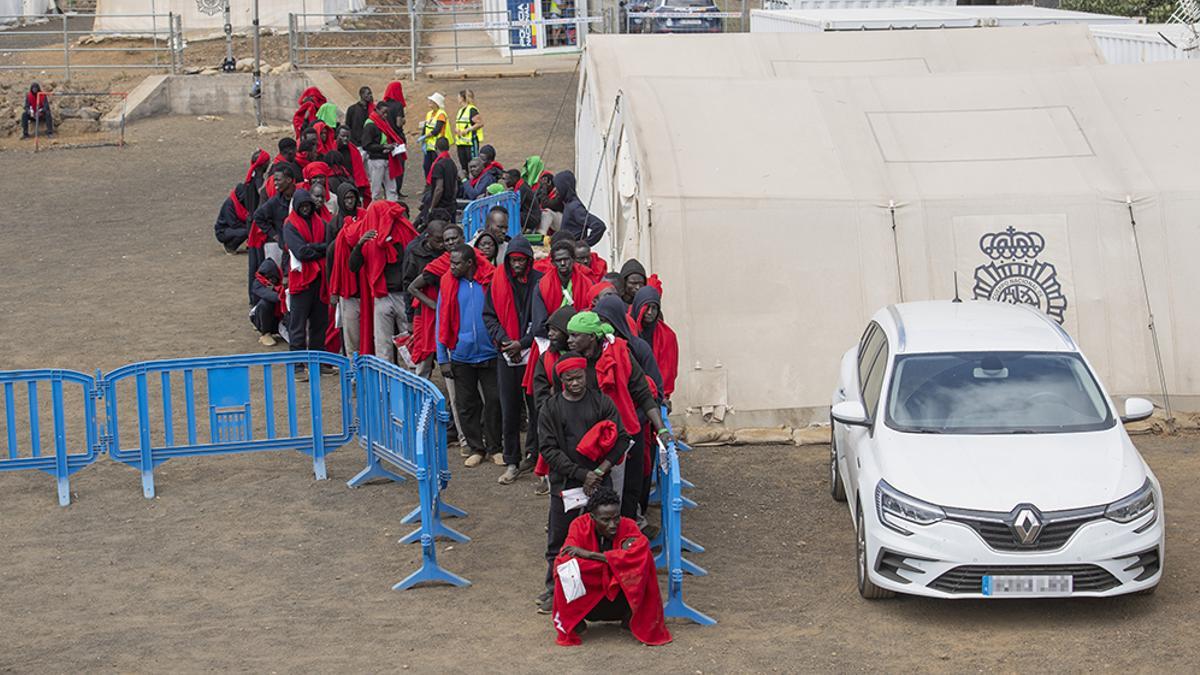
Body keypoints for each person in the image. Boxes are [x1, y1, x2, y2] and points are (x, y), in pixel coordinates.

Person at [536, 356, 629, 613]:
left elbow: (621, 439)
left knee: (601, 537)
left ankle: (598, 590)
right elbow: (549, 449)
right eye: (569, 379)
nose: (575, 383)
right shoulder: (550, 408)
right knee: (559, 538)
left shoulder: (602, 402)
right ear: (561, 380)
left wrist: (599, 471)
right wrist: (580, 473)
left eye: (579, 377)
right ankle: (554, 589)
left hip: (600, 484)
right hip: (565, 485)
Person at [565, 311, 673, 519]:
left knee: (629, 487)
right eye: (569, 335)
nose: (569, 340)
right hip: (587, 438)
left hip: (624, 431)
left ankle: (627, 533)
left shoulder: (620, 353)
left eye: (575, 335)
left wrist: (661, 429)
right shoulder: (572, 362)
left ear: (592, 337)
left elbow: (642, 392)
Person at [551, 486, 672, 646]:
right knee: (565, 569)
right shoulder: (579, 525)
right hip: (590, 600)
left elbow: (639, 555)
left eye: (616, 518)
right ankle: (576, 623)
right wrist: (616, 564)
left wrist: (590, 555)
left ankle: (630, 621)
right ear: (592, 518)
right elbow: (565, 558)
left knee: (645, 561)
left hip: (622, 600)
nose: (613, 524)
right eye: (605, 520)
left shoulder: (628, 525)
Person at [594, 295, 665, 520]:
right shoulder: (597, 351)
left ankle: (634, 520)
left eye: (607, 320)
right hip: (608, 431)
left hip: (637, 424)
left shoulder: (636, 348)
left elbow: (651, 392)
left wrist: (637, 418)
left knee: (635, 480)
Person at [482, 236, 544, 484]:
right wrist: (507, 341)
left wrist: (525, 342)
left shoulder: (539, 282)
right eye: (514, 260)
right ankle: (511, 461)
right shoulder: (497, 281)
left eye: (522, 260)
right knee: (509, 409)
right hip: (507, 352)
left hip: (532, 351)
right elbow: (489, 317)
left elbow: (542, 319)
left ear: (529, 261)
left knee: (537, 409)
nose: (518, 265)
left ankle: (536, 456)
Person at [436, 244, 501, 468]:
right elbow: (441, 321)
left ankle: (495, 447)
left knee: (494, 401)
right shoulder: (448, 284)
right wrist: (443, 358)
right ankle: (476, 447)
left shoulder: (489, 281)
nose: (451, 267)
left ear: (469, 263)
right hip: (461, 354)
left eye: (456, 263)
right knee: (466, 404)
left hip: (490, 352)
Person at [351, 201, 419, 361]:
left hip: (402, 295)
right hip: (382, 295)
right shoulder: (369, 238)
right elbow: (353, 266)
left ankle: (412, 378)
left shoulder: (403, 233)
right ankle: (385, 382)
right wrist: (359, 245)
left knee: (409, 342)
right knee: (383, 344)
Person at [527, 305, 577, 496]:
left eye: (556, 330)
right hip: (552, 417)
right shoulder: (545, 358)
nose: (551, 334)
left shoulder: (580, 355)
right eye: (549, 330)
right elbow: (540, 393)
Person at [282, 189, 330, 357]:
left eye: (307, 205)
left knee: (319, 323)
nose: (305, 208)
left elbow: (329, 247)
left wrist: (311, 247)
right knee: (298, 325)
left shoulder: (321, 223)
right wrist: (318, 249)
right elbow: (300, 252)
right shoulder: (290, 225)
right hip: (301, 280)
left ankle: (318, 361)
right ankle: (298, 364)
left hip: (319, 279)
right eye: (301, 206)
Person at [326, 183, 367, 355]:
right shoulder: (335, 223)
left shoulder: (364, 217)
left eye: (352, 198)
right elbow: (330, 257)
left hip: (364, 278)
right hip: (345, 282)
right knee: (349, 329)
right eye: (346, 198)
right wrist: (333, 287)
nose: (350, 202)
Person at [249, 163, 298, 306]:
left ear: (289, 180)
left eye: (278, 180)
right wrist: (275, 235)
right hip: (284, 249)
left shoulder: (300, 197)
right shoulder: (275, 202)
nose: (275, 183)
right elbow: (258, 216)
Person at [214, 148, 270, 254]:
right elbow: (233, 223)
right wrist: (250, 229)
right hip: (224, 231)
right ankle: (230, 246)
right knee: (245, 231)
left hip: (235, 226)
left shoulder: (252, 182)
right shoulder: (230, 205)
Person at [631, 286, 678, 403]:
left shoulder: (667, 336)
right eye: (646, 308)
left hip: (657, 394)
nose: (650, 313)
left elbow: (668, 371)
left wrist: (662, 395)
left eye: (654, 308)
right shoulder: (627, 329)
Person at [363, 101, 405, 202]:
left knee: (392, 188)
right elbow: (366, 145)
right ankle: (375, 212)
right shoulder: (370, 125)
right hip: (376, 160)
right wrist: (384, 147)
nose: (385, 115)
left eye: (387, 113)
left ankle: (392, 210)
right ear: (377, 110)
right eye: (383, 112)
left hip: (387, 159)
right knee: (376, 191)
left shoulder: (383, 123)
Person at [552, 171, 606, 246]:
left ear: (564, 187)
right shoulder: (568, 204)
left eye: (557, 187)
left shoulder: (574, 207)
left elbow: (599, 226)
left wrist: (583, 244)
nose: (555, 191)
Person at [250, 258, 287, 346]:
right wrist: (284, 295)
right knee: (265, 303)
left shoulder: (282, 282)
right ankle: (265, 334)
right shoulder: (257, 284)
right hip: (261, 317)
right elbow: (271, 296)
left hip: (281, 317)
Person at [380, 81, 409, 198]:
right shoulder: (398, 106)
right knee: (399, 165)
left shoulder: (383, 105)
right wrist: (403, 121)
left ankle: (387, 189)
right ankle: (397, 189)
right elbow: (398, 123)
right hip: (398, 139)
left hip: (386, 139)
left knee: (388, 165)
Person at [331, 125, 372, 205]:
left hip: (352, 184)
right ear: (337, 136)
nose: (345, 139)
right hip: (337, 184)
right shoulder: (332, 149)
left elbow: (359, 170)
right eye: (343, 136)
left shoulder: (354, 151)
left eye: (347, 136)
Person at [421, 137, 458, 223]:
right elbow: (455, 187)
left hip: (440, 207)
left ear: (435, 147)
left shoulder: (438, 165)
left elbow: (439, 189)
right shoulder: (452, 163)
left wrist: (432, 207)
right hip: (451, 205)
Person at [418, 92, 453, 178]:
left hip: (438, 145)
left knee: (436, 166)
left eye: (431, 101)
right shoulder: (429, 114)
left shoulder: (441, 114)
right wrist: (423, 138)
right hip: (429, 145)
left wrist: (425, 136)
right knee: (426, 166)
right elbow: (426, 127)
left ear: (436, 103)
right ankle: (428, 184)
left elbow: (437, 130)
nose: (429, 102)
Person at [454, 89, 484, 169]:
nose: (457, 98)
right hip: (461, 142)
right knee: (463, 165)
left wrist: (468, 130)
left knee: (473, 165)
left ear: (463, 98)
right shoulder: (460, 111)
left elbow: (480, 123)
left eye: (459, 97)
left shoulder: (472, 110)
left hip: (470, 143)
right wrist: (457, 130)